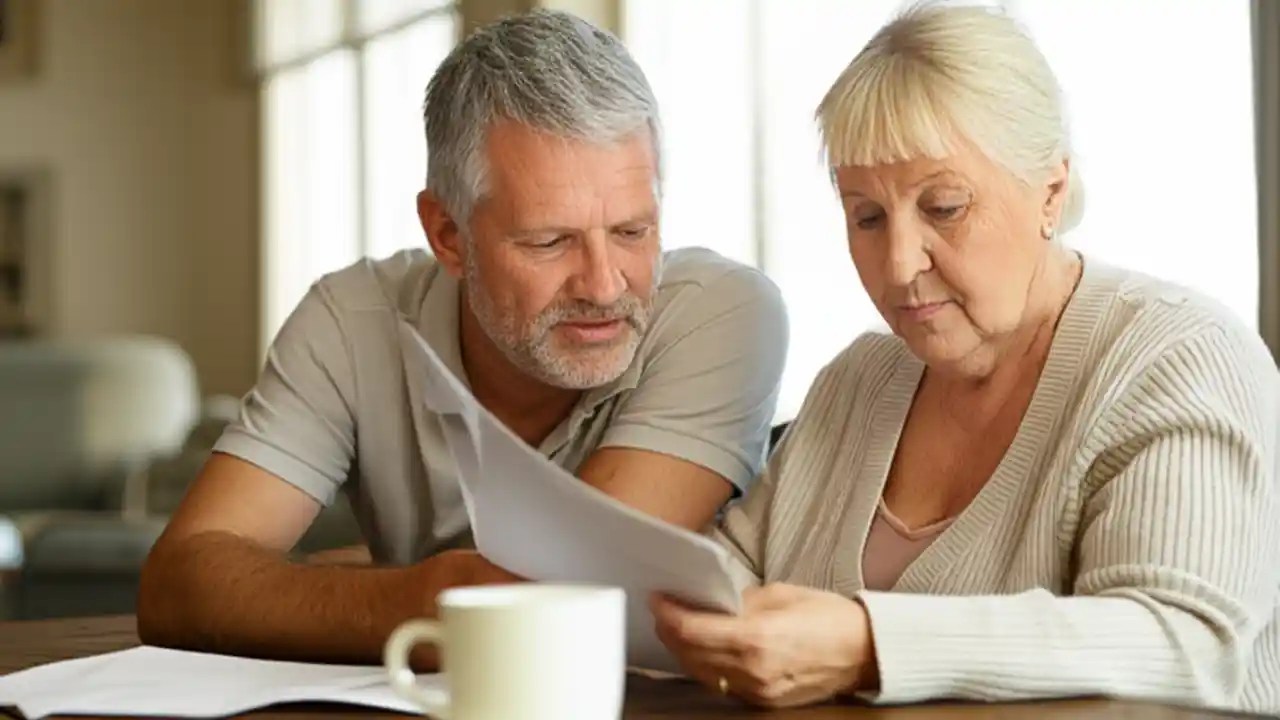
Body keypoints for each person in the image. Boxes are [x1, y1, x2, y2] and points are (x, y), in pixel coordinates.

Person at [651, 2, 1280, 714]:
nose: (897, 262)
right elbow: (727, 584)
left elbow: (1182, 639)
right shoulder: (857, 379)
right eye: (867, 216)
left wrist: (868, 644)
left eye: (944, 206)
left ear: (1050, 191)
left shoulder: (1180, 356)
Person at [137, 9, 787, 670]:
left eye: (632, 231)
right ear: (448, 235)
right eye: (549, 241)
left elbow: (557, 606)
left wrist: (342, 586)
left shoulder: (722, 312)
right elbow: (177, 583)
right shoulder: (352, 318)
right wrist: (422, 594)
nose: (602, 284)